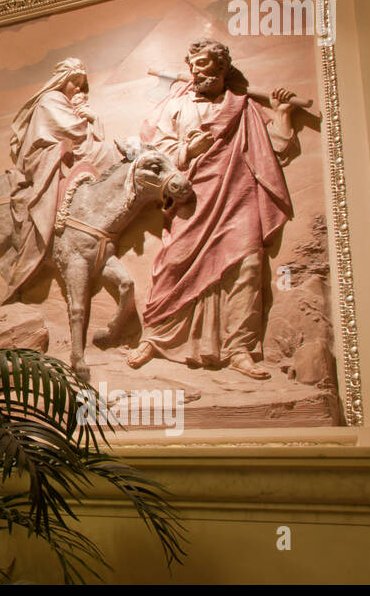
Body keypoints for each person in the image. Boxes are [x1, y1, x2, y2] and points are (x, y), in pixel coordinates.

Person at [127, 39, 300, 379]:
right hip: (191, 199)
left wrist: (282, 115)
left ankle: (239, 349)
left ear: (221, 68)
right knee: (174, 263)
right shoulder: (175, 106)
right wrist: (186, 150)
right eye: (193, 65)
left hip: (239, 196)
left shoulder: (244, 107)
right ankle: (156, 337)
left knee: (246, 268)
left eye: (204, 64)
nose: (196, 71)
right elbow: (154, 152)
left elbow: (274, 151)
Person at [4, 57, 112, 303]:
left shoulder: (64, 102)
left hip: (65, 151)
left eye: (81, 84)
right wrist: (87, 117)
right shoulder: (50, 100)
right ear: (62, 80)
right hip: (45, 155)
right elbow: (69, 130)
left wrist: (86, 115)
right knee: (103, 152)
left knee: (104, 152)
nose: (77, 88)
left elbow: (77, 134)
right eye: (74, 82)